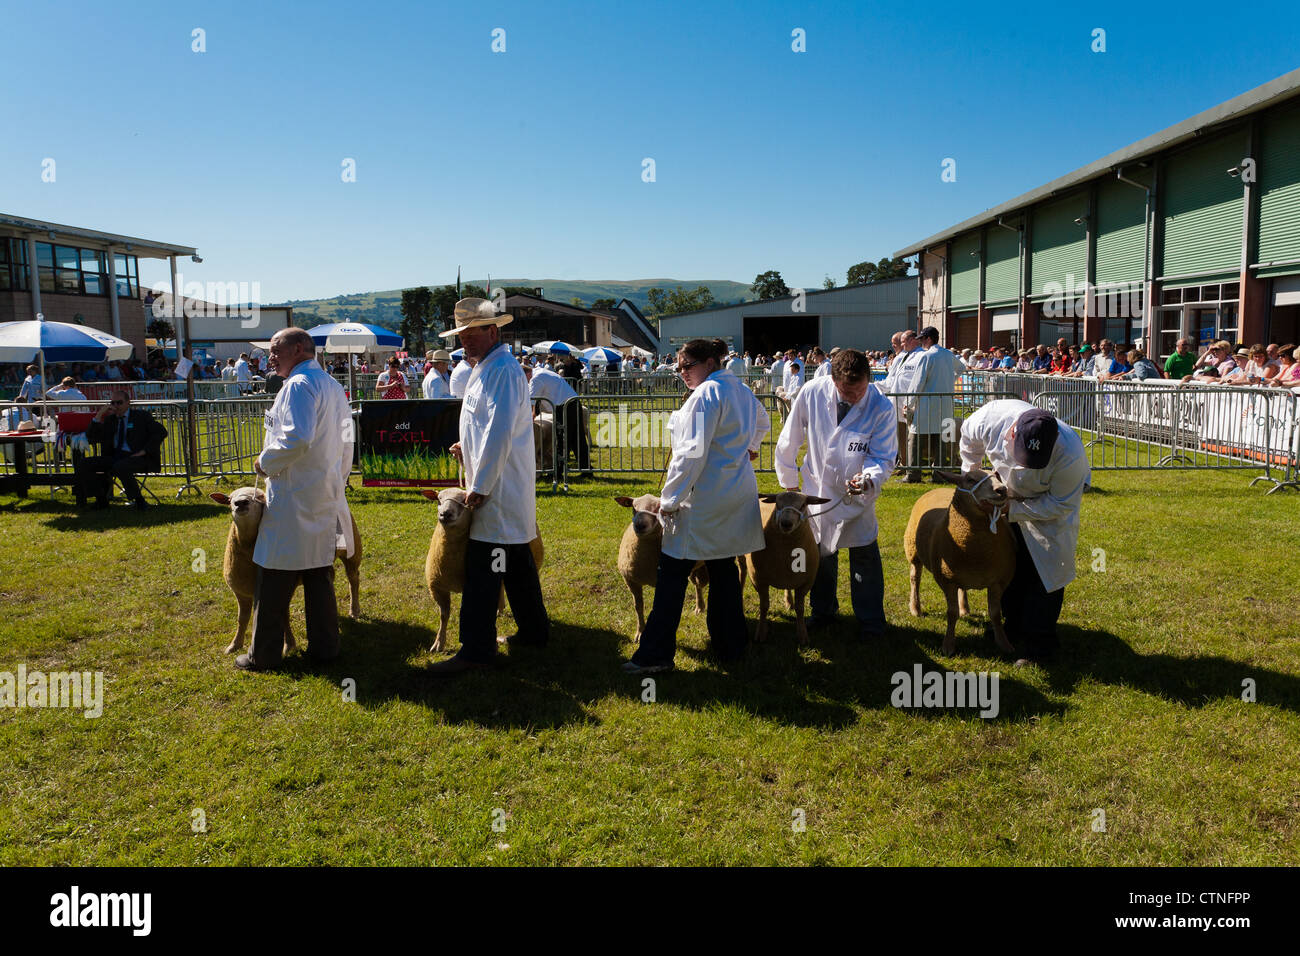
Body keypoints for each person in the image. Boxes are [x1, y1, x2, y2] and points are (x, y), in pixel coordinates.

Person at [623, 338, 764, 675]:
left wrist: (668, 500)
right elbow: (762, 420)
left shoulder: (706, 394)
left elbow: (691, 454)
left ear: (712, 362)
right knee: (723, 568)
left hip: (701, 500)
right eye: (679, 367)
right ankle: (731, 645)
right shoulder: (740, 390)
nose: (682, 372)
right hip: (733, 493)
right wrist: (751, 448)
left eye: (688, 365)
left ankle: (656, 654)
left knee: (672, 575)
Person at [429, 299, 549, 675]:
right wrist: (466, 445)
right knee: (516, 563)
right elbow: (489, 426)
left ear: (492, 331)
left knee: (484, 569)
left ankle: (477, 649)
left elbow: (499, 430)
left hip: (496, 489)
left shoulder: (500, 370)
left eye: (472, 334)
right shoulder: (488, 368)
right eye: (461, 335)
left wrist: (479, 485)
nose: (465, 341)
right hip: (499, 484)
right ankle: (534, 631)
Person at [236, 327, 355, 671]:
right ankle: (326, 648)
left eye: (276, 349)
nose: (270, 356)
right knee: (319, 573)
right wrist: (338, 481)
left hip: (294, 495)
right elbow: (346, 443)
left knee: (273, 574)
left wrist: (264, 462)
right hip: (322, 492)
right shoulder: (331, 386)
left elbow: (296, 438)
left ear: (300, 348)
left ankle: (265, 654)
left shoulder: (299, 386)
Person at [775, 349, 896, 638]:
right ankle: (823, 611)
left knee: (864, 556)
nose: (855, 398)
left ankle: (871, 622)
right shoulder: (812, 393)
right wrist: (790, 481)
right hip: (817, 488)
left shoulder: (881, 407)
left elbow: (883, 456)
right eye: (847, 392)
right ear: (833, 381)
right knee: (820, 556)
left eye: (860, 390)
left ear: (868, 379)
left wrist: (868, 478)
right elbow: (790, 438)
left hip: (857, 496)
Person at [959, 400, 1089, 665]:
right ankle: (1012, 625)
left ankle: (1040, 644)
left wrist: (1014, 510)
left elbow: (1061, 504)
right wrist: (972, 477)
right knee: (1010, 564)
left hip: (1048, 510)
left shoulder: (1071, 455)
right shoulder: (989, 420)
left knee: (1047, 571)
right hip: (1006, 495)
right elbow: (968, 441)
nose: (1027, 466)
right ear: (1012, 433)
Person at [75, 389, 168, 510]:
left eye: (119, 403)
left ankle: (139, 501)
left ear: (128, 403)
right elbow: (92, 438)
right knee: (84, 463)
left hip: (138, 457)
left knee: (120, 466)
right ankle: (101, 499)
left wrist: (145, 450)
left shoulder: (141, 416)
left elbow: (161, 432)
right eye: (112, 403)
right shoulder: (110, 420)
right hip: (115, 457)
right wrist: (98, 417)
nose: (115, 406)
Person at [901, 326, 963, 482]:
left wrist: (909, 403)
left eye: (922, 339)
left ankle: (913, 474)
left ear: (928, 339)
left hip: (927, 405)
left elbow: (917, 383)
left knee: (915, 438)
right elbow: (961, 368)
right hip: (945, 403)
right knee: (942, 440)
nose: (921, 342)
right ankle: (940, 475)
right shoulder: (948, 354)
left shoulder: (926, 356)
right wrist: (950, 382)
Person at [524, 362, 591, 476]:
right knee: (576, 439)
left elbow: (532, 402)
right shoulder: (541, 372)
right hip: (571, 402)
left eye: (523, 379)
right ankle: (586, 469)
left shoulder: (536, 379)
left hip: (565, 406)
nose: (525, 382)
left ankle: (558, 472)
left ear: (526, 374)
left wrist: (528, 419)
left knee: (562, 439)